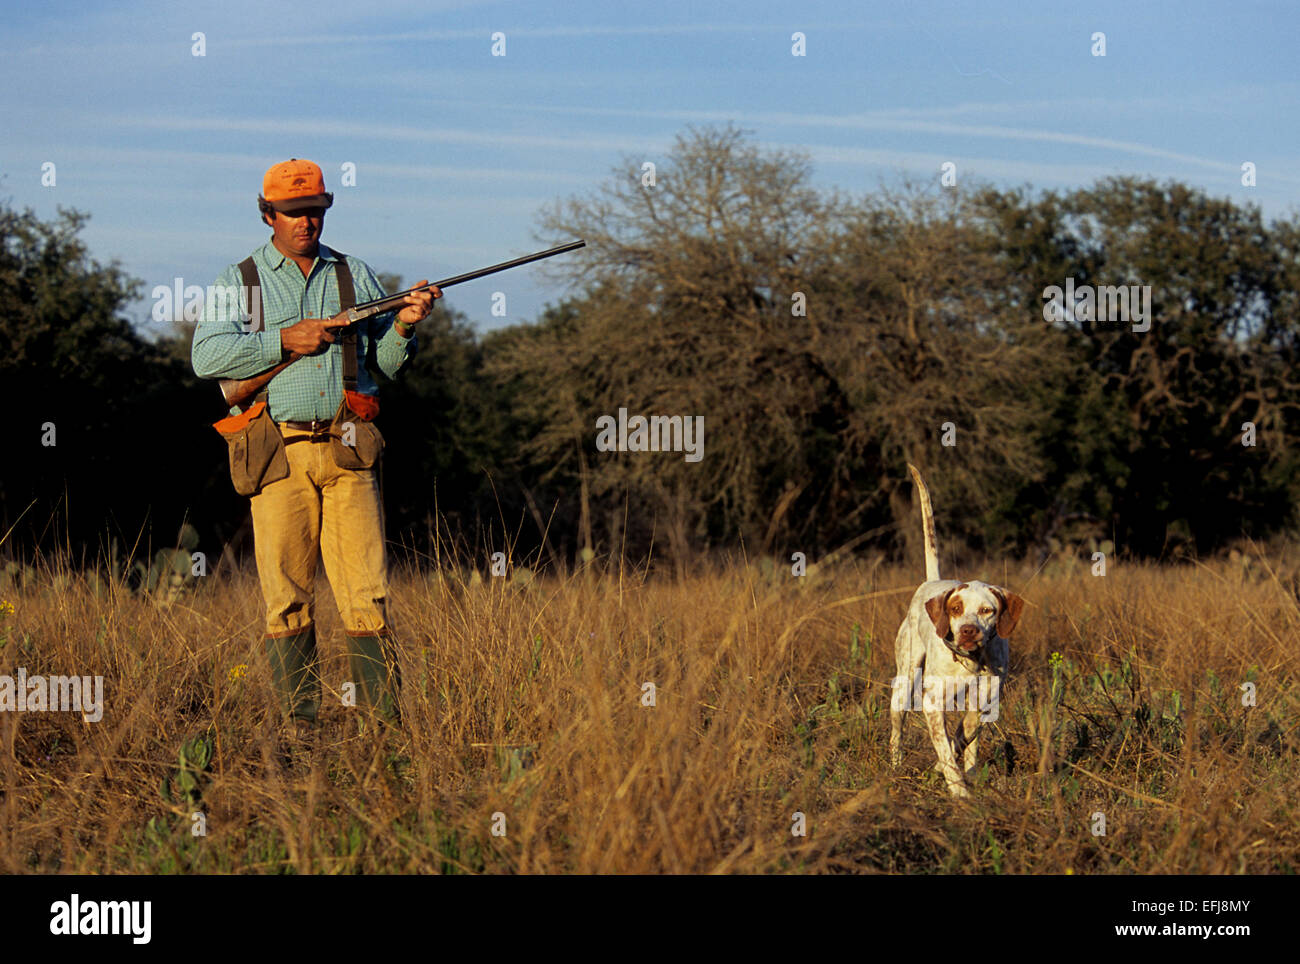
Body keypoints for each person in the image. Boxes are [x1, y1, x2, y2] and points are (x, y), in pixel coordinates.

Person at [192, 158, 438, 744]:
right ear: (268, 214)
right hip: (275, 452)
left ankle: (383, 732)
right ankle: (298, 731)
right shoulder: (241, 279)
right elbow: (207, 358)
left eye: (317, 212)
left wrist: (404, 325)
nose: (307, 223)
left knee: (367, 591)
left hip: (351, 448)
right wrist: (286, 337)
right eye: (295, 213)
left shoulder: (354, 275)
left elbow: (383, 366)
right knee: (285, 597)